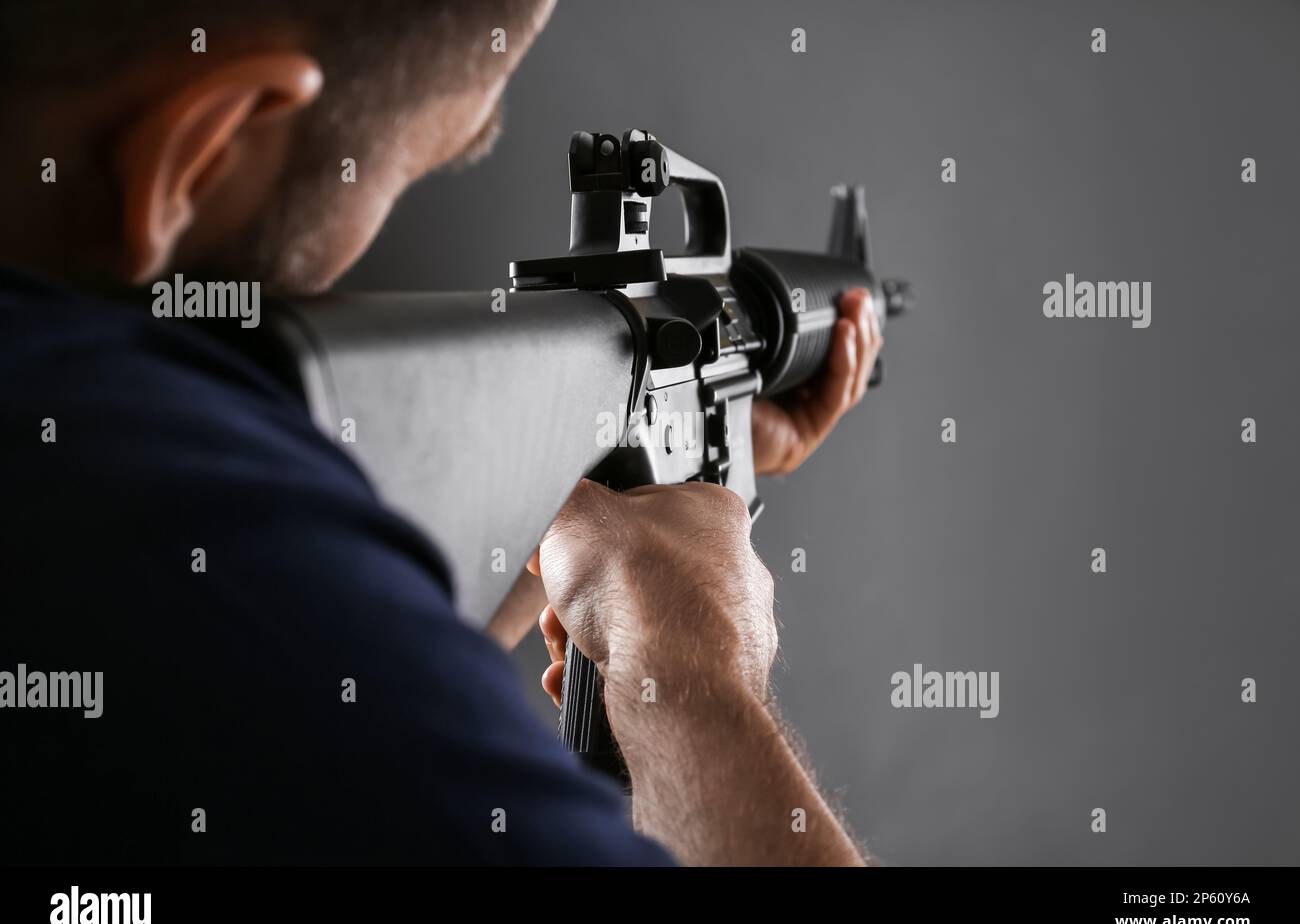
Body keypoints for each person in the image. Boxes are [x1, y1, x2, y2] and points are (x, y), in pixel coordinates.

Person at [0, 0, 883, 865]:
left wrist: (636, 452)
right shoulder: (164, 503)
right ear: (206, 150)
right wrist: (698, 660)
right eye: (422, 164)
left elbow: (330, 698)